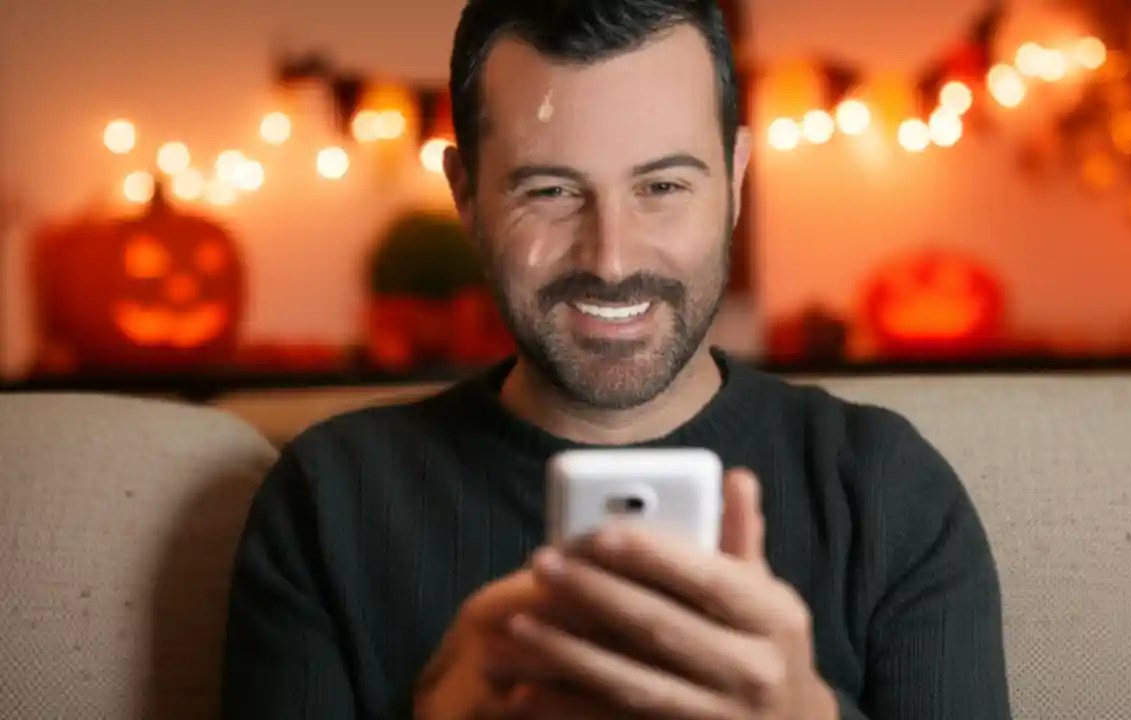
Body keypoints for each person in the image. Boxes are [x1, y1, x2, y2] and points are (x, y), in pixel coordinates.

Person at [220, 1, 1012, 717]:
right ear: (465, 194)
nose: (610, 258)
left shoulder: (885, 491)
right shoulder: (328, 501)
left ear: (735, 179)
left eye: (663, 185)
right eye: (552, 191)